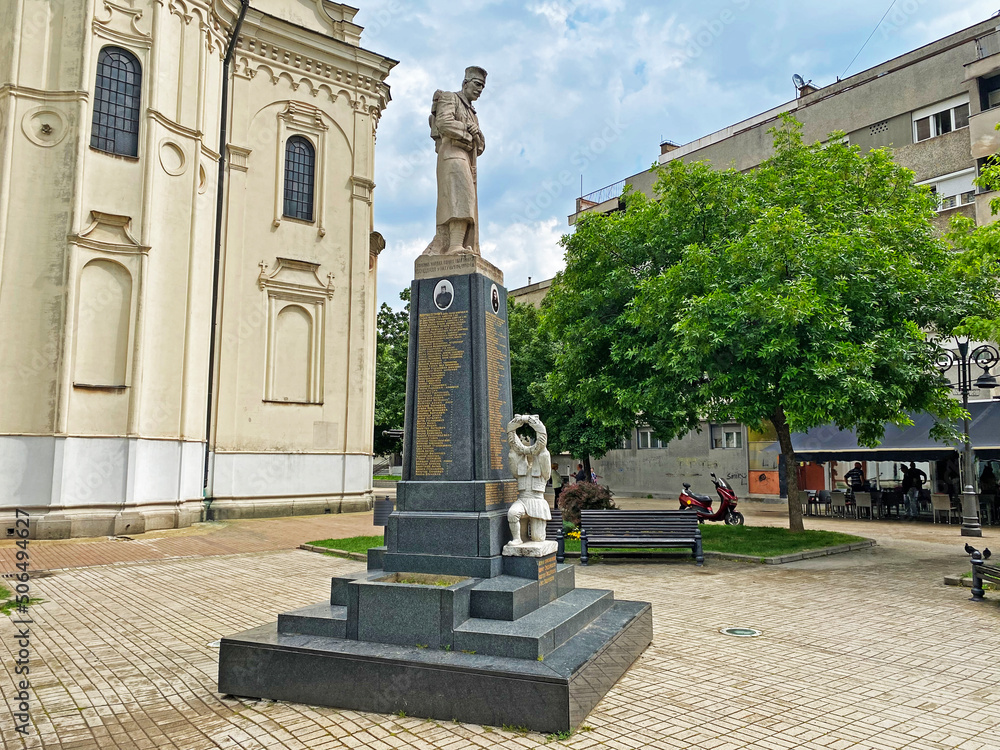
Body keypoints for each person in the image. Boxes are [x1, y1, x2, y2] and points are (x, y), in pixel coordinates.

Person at [423, 66, 487, 256]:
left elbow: (481, 146)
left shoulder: (473, 113)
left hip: (466, 158)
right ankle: (453, 246)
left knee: (466, 199)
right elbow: (443, 122)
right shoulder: (450, 97)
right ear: (465, 83)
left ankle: (457, 244)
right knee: (458, 198)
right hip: (452, 154)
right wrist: (467, 131)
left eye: (482, 87)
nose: (479, 89)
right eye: (477, 84)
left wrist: (477, 135)